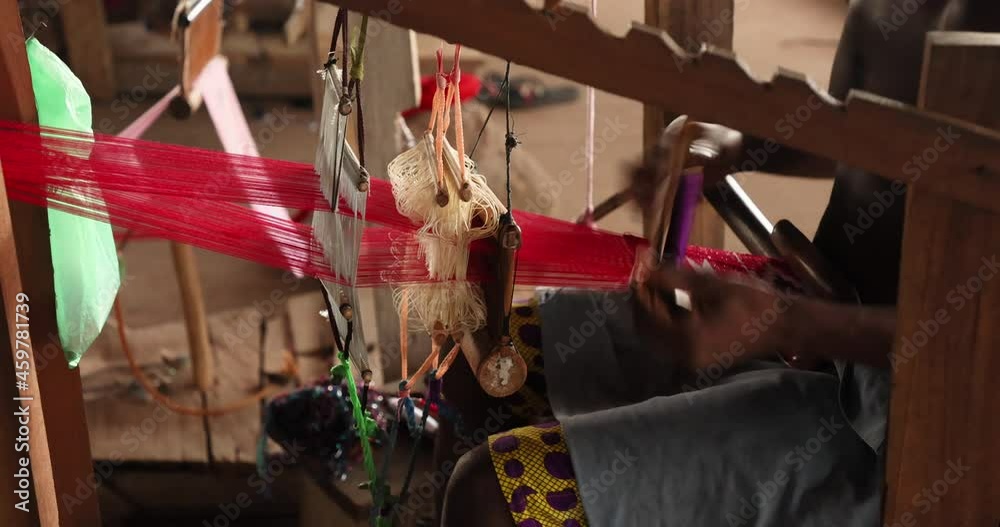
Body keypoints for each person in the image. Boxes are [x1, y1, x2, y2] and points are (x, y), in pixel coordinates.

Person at [438, 1, 1000, 525]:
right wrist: (731, 145)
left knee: (488, 496)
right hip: (812, 316)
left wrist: (788, 323)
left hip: (906, 429)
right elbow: (858, 127)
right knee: (476, 373)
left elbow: (979, 341)